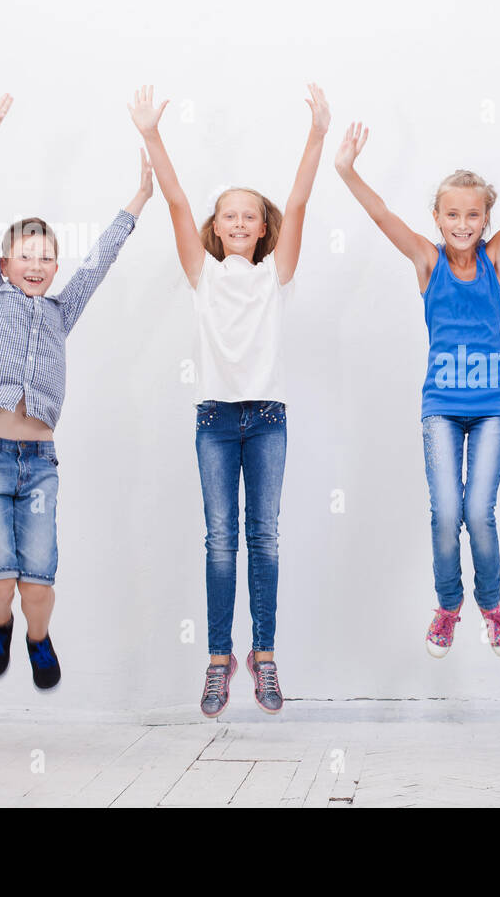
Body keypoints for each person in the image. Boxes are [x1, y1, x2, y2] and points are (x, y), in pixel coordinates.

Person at [129, 83, 330, 714]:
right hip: (215, 420)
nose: (238, 222)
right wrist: (152, 134)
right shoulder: (204, 276)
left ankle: (263, 656)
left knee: (264, 538)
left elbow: (298, 202)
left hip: (268, 421)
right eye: (228, 216)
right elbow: (176, 200)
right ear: (216, 229)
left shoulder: (277, 277)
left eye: (250, 215)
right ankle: (219, 658)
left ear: (262, 227)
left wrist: (318, 134)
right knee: (221, 540)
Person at [335, 117, 500, 658]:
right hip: (440, 407)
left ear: (486, 219)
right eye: (452, 214)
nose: (463, 223)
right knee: (445, 511)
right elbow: (381, 215)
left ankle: (492, 607)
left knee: (478, 511)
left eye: (473, 214)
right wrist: (347, 170)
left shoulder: (496, 259)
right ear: (437, 218)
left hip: (490, 410)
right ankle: (448, 605)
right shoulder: (427, 260)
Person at [0, 93, 152, 690]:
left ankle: (37, 638)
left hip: (39, 465)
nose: (40, 264)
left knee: (38, 585)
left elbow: (97, 262)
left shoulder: (61, 312)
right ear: (4, 264)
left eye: (48, 255)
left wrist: (138, 200)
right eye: (27, 254)